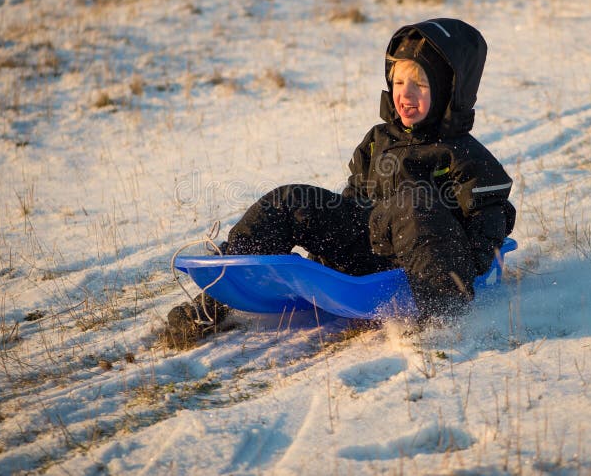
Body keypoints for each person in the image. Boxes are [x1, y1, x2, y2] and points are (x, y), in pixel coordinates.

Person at [166, 18, 516, 346]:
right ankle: (218, 294)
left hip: (425, 266)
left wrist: (473, 265)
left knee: (415, 202)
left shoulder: (462, 153)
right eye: (398, 82)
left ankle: (443, 318)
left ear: (448, 94)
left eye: (421, 84)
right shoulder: (379, 139)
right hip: (369, 248)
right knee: (293, 200)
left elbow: (492, 216)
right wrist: (325, 245)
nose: (405, 94)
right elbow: (353, 202)